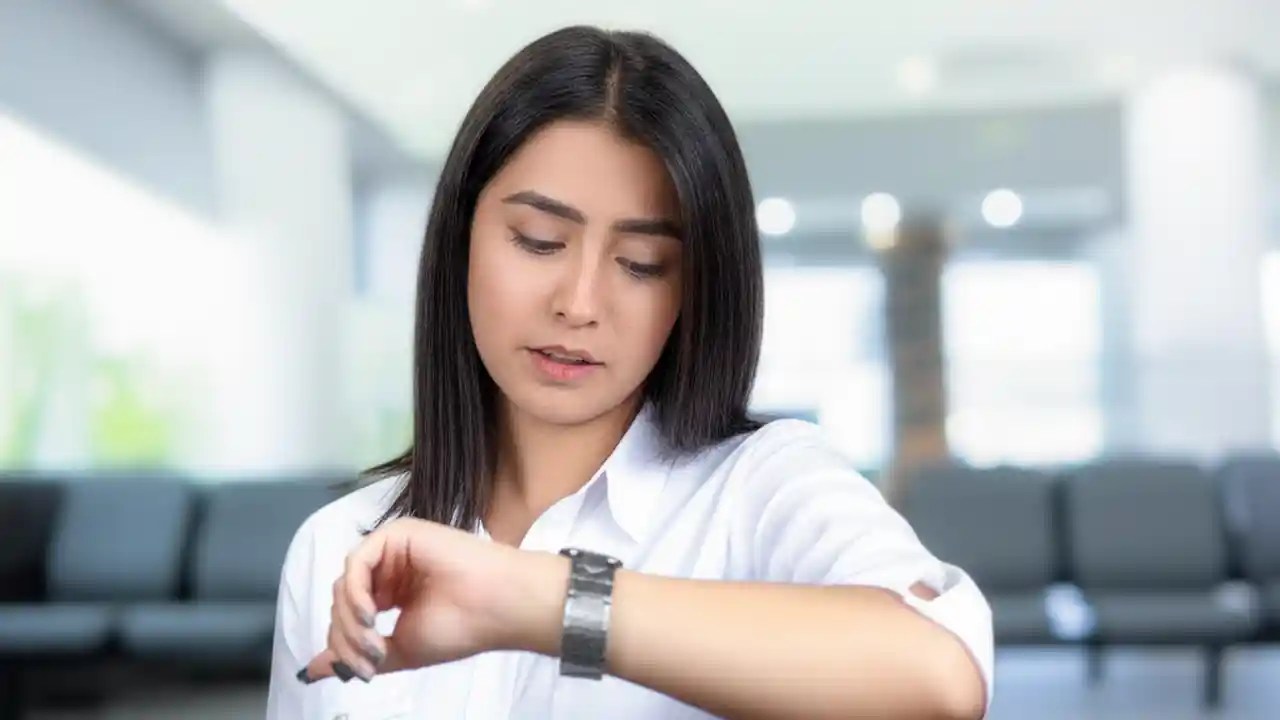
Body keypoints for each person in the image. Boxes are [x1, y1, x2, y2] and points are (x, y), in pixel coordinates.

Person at [266, 25, 993, 720]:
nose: (580, 304)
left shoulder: (760, 489)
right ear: (461, 240)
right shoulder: (342, 546)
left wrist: (539, 601)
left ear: (694, 288)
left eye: (642, 264)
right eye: (540, 241)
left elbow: (941, 674)